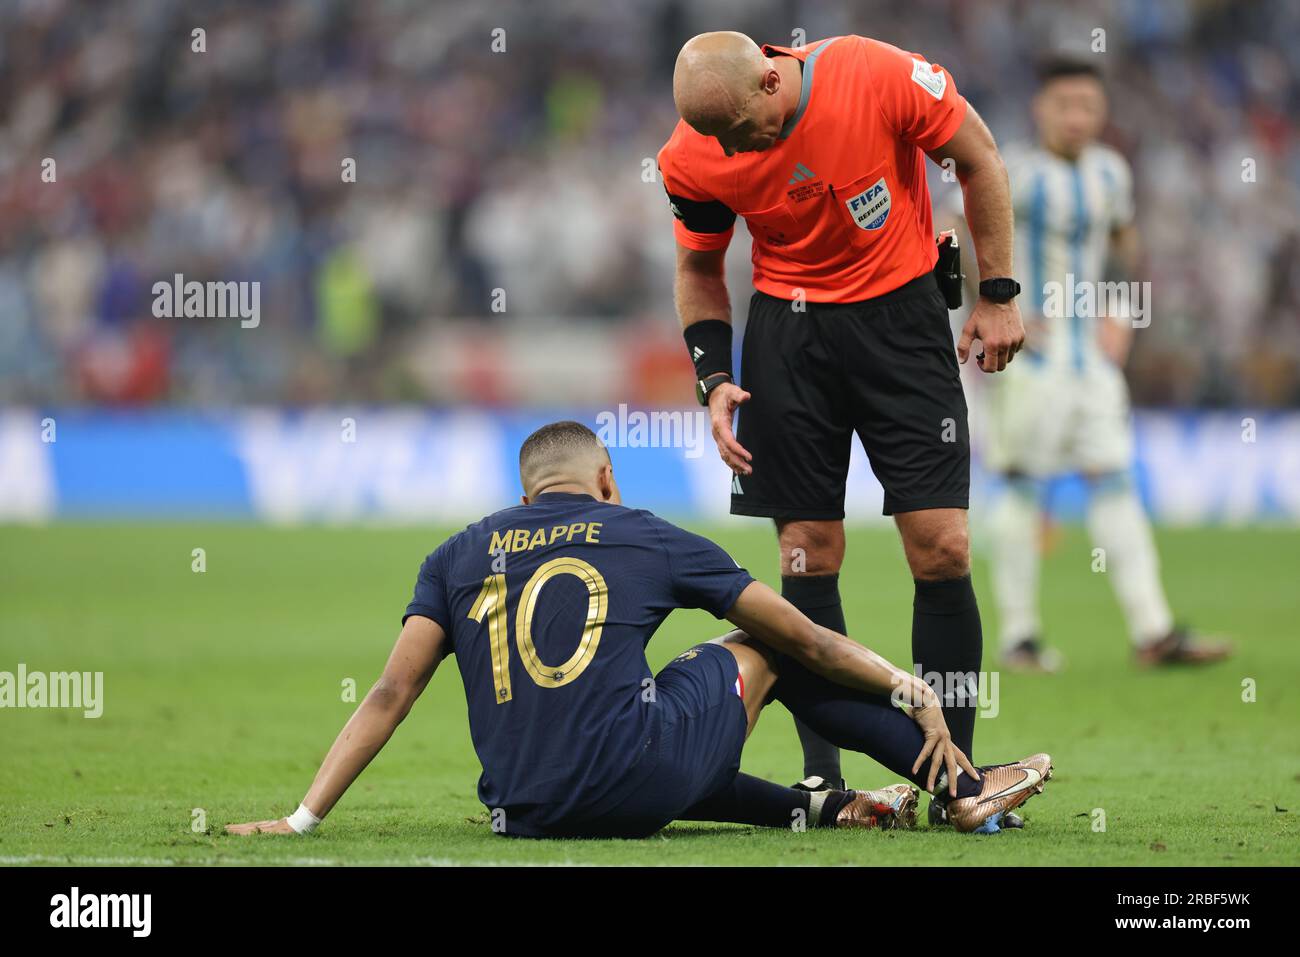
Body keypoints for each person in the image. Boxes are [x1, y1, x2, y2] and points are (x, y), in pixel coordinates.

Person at [228, 422, 1052, 840]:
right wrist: (910, 689)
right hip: (633, 785)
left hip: (523, 812)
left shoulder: (455, 553)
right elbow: (807, 640)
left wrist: (302, 818)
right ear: (606, 478)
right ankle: (963, 788)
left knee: (654, 711)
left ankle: (827, 807)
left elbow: (390, 692)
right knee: (758, 651)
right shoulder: (645, 532)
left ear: (525, 488)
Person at [658, 31, 1025, 794]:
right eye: (715, 137)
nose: (733, 148)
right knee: (807, 552)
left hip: (902, 321)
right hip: (790, 338)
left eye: (739, 128)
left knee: (943, 548)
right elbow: (697, 265)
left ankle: (954, 776)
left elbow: (980, 158)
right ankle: (825, 784)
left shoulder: (873, 73)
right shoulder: (693, 153)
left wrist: (997, 294)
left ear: (770, 78)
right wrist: (714, 377)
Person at [970, 56, 1232, 671]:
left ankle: (1154, 632)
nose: (1077, 117)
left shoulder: (1111, 173)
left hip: (1093, 363)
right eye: (1064, 105)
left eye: (1088, 106)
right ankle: (1020, 638)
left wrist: (1121, 310)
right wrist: (991, 305)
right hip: (1030, 358)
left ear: (1102, 111)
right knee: (1020, 486)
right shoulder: (1010, 171)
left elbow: (1122, 245)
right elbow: (960, 235)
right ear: (1041, 108)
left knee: (1114, 480)